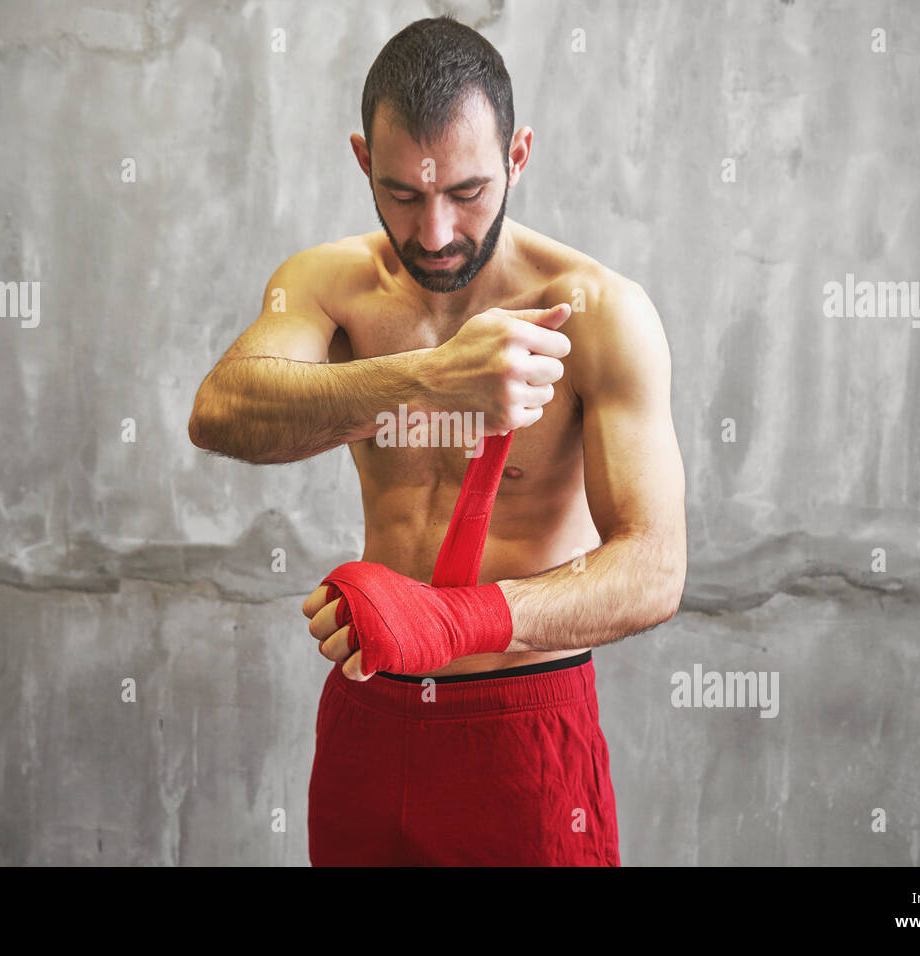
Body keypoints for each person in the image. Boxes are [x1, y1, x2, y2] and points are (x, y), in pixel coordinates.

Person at [187, 15, 686, 866]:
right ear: (362, 163)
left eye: (468, 191)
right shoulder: (327, 284)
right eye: (403, 195)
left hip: (521, 725)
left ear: (518, 156)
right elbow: (223, 411)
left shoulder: (601, 312)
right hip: (368, 716)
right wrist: (426, 377)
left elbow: (655, 570)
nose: (436, 235)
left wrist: (455, 621)